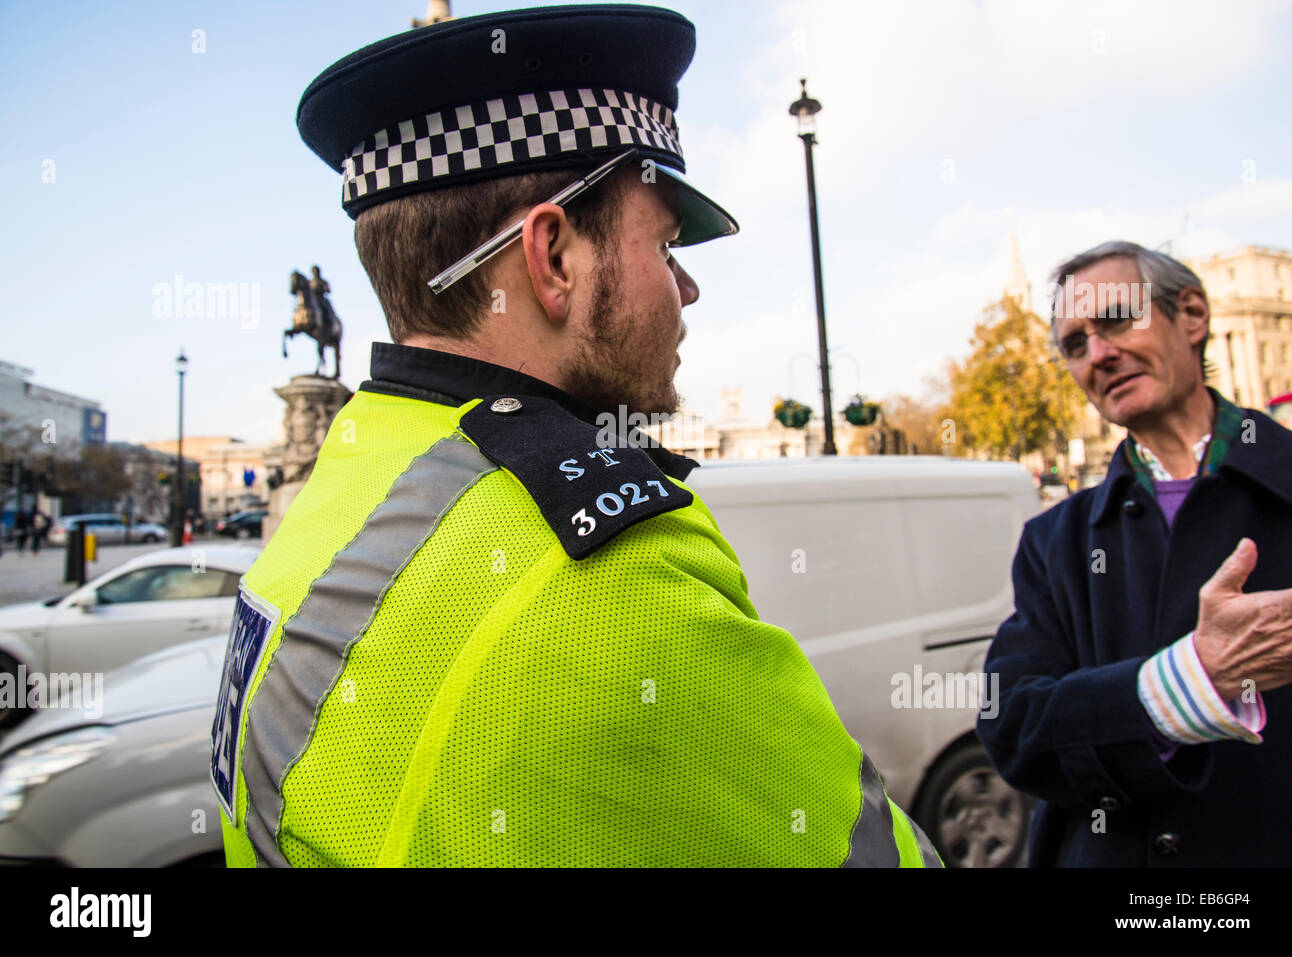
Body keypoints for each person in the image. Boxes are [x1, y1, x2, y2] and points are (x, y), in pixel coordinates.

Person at [210, 5, 939, 868]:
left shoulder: (350, 477)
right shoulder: (608, 573)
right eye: (665, 246)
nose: (689, 287)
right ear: (554, 257)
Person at [976, 240, 1292, 866]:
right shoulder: (1055, 539)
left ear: (1193, 316)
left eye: (1118, 319)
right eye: (1075, 345)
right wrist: (1187, 685)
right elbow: (1011, 726)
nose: (1099, 352)